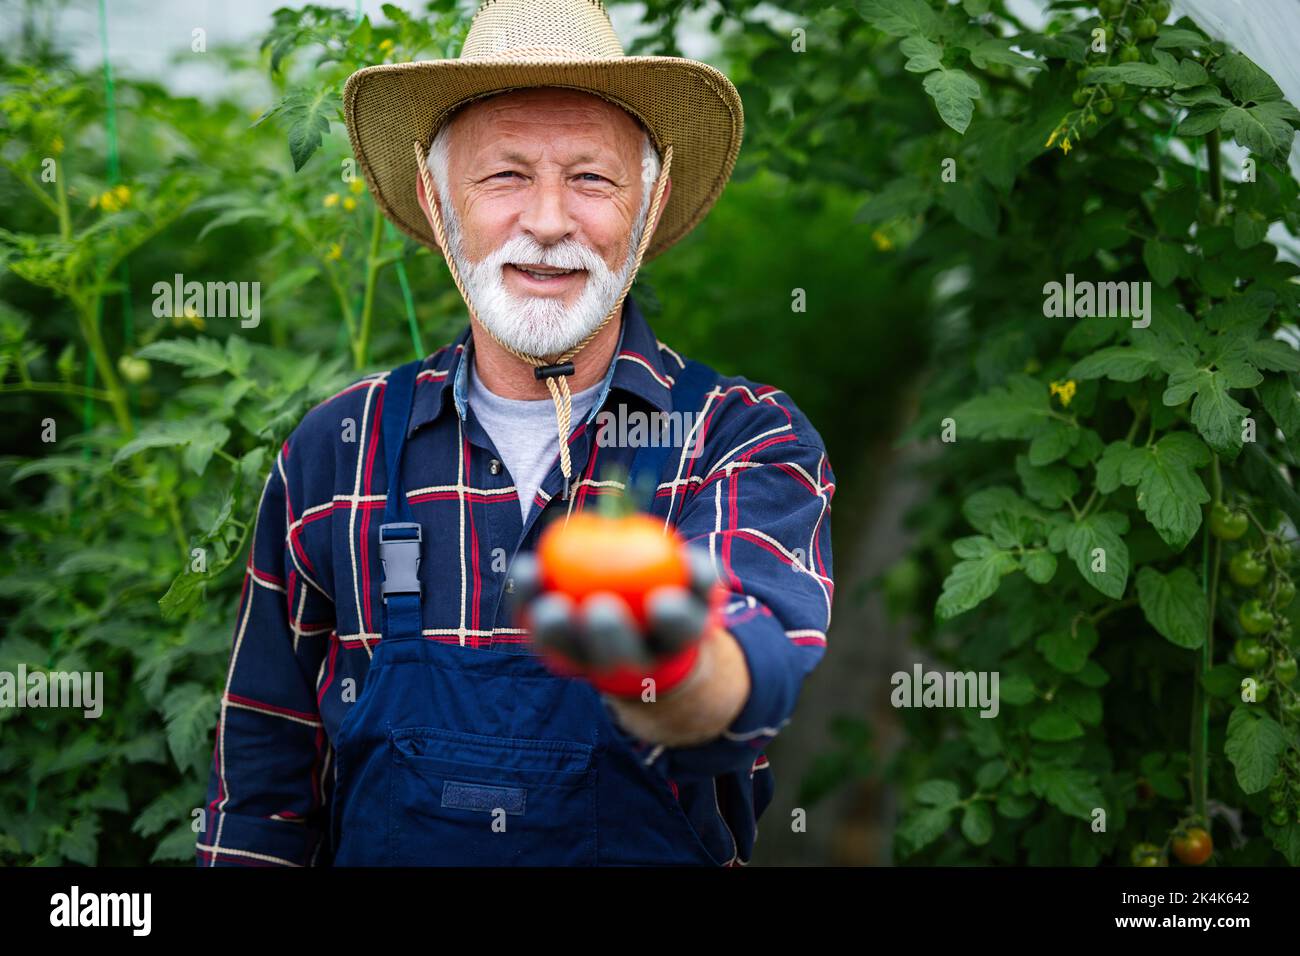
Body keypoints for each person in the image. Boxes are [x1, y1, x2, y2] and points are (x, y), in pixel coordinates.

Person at [197, 0, 835, 867]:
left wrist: (669, 660)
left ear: (650, 206)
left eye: (591, 179)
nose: (546, 220)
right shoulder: (334, 450)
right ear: (436, 197)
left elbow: (752, 663)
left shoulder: (738, 439)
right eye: (504, 177)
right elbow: (261, 792)